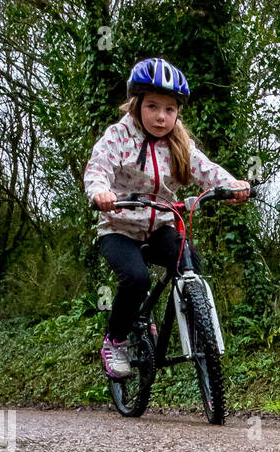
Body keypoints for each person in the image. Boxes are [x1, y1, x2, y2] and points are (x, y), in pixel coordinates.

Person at [84, 57, 250, 380]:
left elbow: (206, 169)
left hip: (160, 224)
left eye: (170, 109)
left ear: (178, 112)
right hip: (119, 228)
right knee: (136, 280)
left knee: (190, 262)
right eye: (153, 107)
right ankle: (115, 340)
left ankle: (196, 326)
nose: (161, 117)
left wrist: (231, 185)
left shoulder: (178, 142)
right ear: (137, 104)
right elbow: (98, 168)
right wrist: (100, 192)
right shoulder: (119, 137)